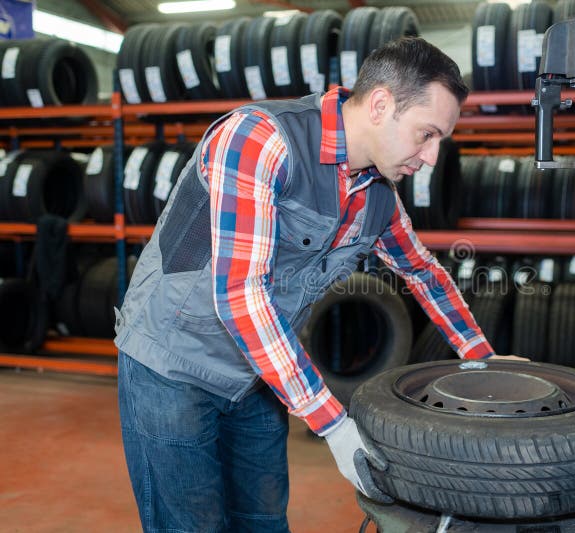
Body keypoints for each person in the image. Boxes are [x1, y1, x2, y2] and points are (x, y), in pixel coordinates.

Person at [115, 36, 523, 532]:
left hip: (255, 378)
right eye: (426, 134)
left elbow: (424, 272)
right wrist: (333, 423)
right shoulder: (260, 139)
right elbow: (241, 294)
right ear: (380, 105)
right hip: (171, 366)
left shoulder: (377, 197)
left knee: (263, 522)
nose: (433, 157)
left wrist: (481, 356)